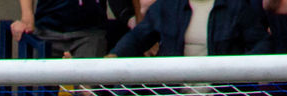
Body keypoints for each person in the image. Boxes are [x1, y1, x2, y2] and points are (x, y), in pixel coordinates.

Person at [109, 0, 270, 58]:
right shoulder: (167, 6)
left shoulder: (236, 7)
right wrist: (113, 57)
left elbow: (262, 43)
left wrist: (239, 71)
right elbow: (137, 38)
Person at [11, 0, 132, 57]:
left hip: (90, 33)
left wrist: (136, 19)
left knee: (88, 92)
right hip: (46, 30)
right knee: (39, 93)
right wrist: (26, 16)